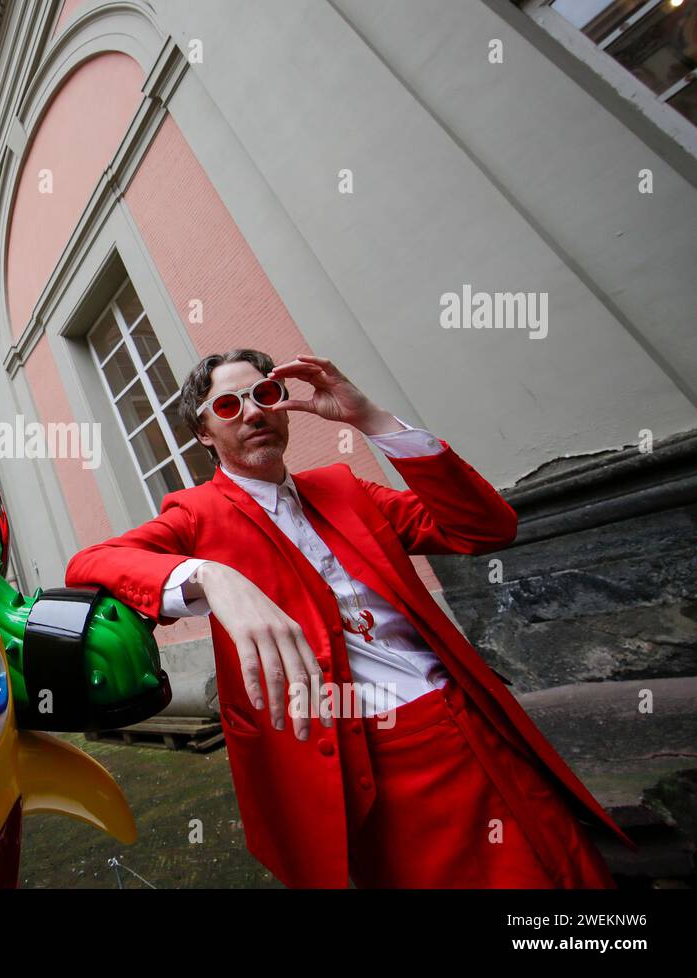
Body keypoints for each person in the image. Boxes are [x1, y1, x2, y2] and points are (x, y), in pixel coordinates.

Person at [65, 349, 631, 888]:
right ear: (204, 433)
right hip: (372, 761)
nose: (255, 412)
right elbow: (89, 565)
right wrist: (211, 576)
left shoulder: (342, 486)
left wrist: (372, 419)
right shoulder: (195, 512)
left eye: (265, 394)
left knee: (570, 874)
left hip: (471, 723)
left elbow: (485, 527)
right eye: (230, 405)